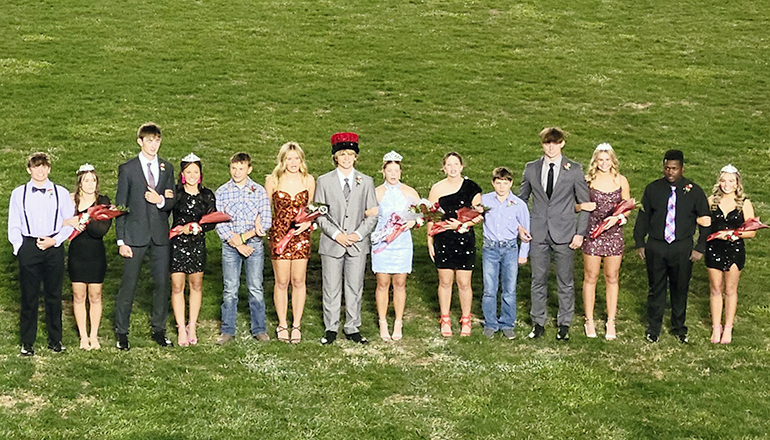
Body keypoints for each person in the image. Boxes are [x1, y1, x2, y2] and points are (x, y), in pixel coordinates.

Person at [520, 127, 590, 341]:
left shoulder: (574, 169)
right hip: (538, 232)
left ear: (562, 144)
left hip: (565, 233)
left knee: (565, 280)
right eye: (547, 143)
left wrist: (580, 233)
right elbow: (521, 201)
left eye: (555, 143)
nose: (551, 147)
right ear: (542, 144)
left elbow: (585, 204)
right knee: (538, 279)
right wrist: (520, 227)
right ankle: (538, 322)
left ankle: (564, 323)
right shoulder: (531, 168)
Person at [634, 149, 710, 344]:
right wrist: (640, 242)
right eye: (667, 168)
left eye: (674, 168)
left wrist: (700, 247)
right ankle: (654, 328)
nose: (670, 172)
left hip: (681, 247)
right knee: (656, 288)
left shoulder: (694, 191)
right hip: (657, 246)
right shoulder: (653, 189)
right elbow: (643, 217)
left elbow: (705, 221)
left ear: (682, 169)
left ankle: (679, 327)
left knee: (680, 289)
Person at [115, 122, 176, 350]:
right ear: (140, 141)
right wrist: (121, 240)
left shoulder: (166, 168)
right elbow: (121, 205)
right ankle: (122, 332)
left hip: (159, 236)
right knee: (129, 284)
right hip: (135, 235)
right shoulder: (128, 169)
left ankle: (159, 329)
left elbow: (171, 200)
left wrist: (160, 201)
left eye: (157, 140)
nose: (153, 145)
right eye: (149, 140)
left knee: (162, 284)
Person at [314, 132, 378, 345]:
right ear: (335, 157)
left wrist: (357, 234)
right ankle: (331, 327)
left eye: (350, 154)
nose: (347, 158)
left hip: (357, 243)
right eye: (342, 154)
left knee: (354, 286)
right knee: (331, 287)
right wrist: (337, 235)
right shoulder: (324, 181)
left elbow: (372, 214)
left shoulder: (366, 181)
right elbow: (319, 214)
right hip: (332, 243)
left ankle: (352, 326)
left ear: (356, 157)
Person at [8, 152, 74, 356]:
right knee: (29, 296)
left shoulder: (61, 192)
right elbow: (14, 223)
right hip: (29, 245)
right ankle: (27, 342)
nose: (41, 171)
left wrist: (56, 240)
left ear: (49, 169)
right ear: (29, 169)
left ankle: (56, 340)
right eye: (36, 167)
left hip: (53, 245)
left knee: (54, 295)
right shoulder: (18, 193)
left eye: (44, 166)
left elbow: (70, 221)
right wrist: (19, 247)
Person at [215, 152, 272, 345]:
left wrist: (244, 238)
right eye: (234, 168)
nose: (237, 172)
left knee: (255, 287)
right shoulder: (222, 191)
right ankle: (227, 329)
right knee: (230, 288)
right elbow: (219, 221)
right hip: (230, 245)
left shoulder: (258, 191)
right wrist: (236, 242)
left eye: (241, 168)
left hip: (253, 244)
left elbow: (265, 220)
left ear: (249, 169)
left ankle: (259, 328)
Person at [427, 152, 482, 337]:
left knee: (464, 282)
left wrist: (462, 224)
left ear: (462, 166)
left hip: (465, 238)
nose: (452, 168)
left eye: (456, 164)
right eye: (449, 165)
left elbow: (479, 214)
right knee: (445, 281)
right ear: (444, 168)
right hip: (443, 239)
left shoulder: (471, 187)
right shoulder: (437, 189)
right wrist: (429, 240)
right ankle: (445, 319)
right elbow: (431, 216)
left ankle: (466, 319)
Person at [579, 144, 630, 340]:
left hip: (614, 233)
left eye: (607, 159)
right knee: (590, 276)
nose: (604, 163)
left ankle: (611, 321)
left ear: (613, 160)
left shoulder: (621, 180)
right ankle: (589, 320)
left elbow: (627, 206)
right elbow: (575, 206)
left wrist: (617, 218)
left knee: (612, 277)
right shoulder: (588, 180)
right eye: (600, 160)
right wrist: (583, 206)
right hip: (593, 233)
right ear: (595, 161)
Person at [265, 142, 315, 344]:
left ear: (301, 160)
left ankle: (296, 325)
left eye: (296, 158)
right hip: (279, 236)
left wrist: (309, 224)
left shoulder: (308, 180)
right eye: (289, 158)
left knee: (299, 280)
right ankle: (282, 324)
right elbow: (265, 209)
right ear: (282, 160)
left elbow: (312, 209)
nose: (293, 162)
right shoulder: (272, 180)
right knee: (282, 281)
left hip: (301, 236)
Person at [370, 151, 420, 342]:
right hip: (383, 241)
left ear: (400, 172)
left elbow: (422, 214)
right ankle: (383, 321)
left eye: (396, 171)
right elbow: (367, 213)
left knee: (400, 283)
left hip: (402, 242)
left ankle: (398, 321)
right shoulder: (376, 192)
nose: (393, 174)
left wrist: (413, 222)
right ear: (383, 172)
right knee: (382, 283)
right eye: (389, 170)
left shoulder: (409, 192)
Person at [170, 153, 216, 347]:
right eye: (188, 172)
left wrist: (197, 227)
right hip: (177, 245)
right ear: (182, 174)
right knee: (177, 286)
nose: (192, 176)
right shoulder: (176, 194)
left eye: (195, 172)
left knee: (196, 284)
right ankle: (181, 327)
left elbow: (212, 220)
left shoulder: (207, 195)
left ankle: (192, 325)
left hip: (197, 244)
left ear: (200, 174)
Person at [705, 165, 755, 344]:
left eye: (731, 181)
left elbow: (751, 232)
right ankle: (716, 327)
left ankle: (728, 328)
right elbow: (704, 224)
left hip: (734, 250)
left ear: (737, 183)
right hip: (714, 248)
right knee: (715, 288)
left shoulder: (744, 203)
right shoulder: (711, 201)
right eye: (723, 180)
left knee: (730, 289)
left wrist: (733, 234)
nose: (727, 184)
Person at [480, 166, 530, 340]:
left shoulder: (518, 204)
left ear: (511, 183)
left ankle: (507, 323)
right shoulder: (484, 201)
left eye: (505, 183)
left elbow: (526, 230)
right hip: (490, 248)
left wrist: (523, 253)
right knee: (489, 288)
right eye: (498, 183)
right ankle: (490, 323)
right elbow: (474, 216)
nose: (502, 187)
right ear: (493, 183)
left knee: (509, 288)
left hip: (510, 249)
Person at [68, 164, 112, 350]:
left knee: (95, 295)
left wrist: (85, 218)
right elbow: (61, 223)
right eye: (86, 180)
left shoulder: (103, 202)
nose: (90, 184)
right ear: (80, 183)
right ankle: (83, 337)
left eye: (93, 180)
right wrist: (72, 220)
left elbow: (101, 230)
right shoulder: (71, 202)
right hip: (77, 253)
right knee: (79, 295)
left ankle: (94, 335)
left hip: (95, 253)